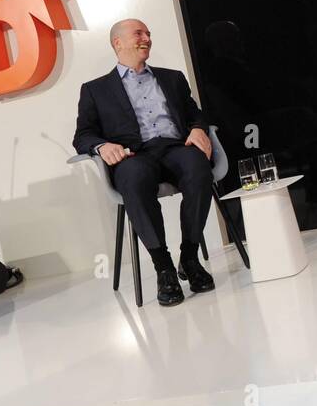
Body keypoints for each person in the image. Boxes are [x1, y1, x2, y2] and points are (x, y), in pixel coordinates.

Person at [73, 19, 216, 306]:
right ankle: (164, 268)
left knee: (198, 166)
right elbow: (83, 135)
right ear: (117, 43)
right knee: (133, 178)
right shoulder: (95, 90)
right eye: (138, 33)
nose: (147, 38)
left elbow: (194, 114)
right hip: (133, 155)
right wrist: (102, 146)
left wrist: (199, 128)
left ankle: (189, 258)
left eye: (148, 33)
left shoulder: (172, 78)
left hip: (175, 147)